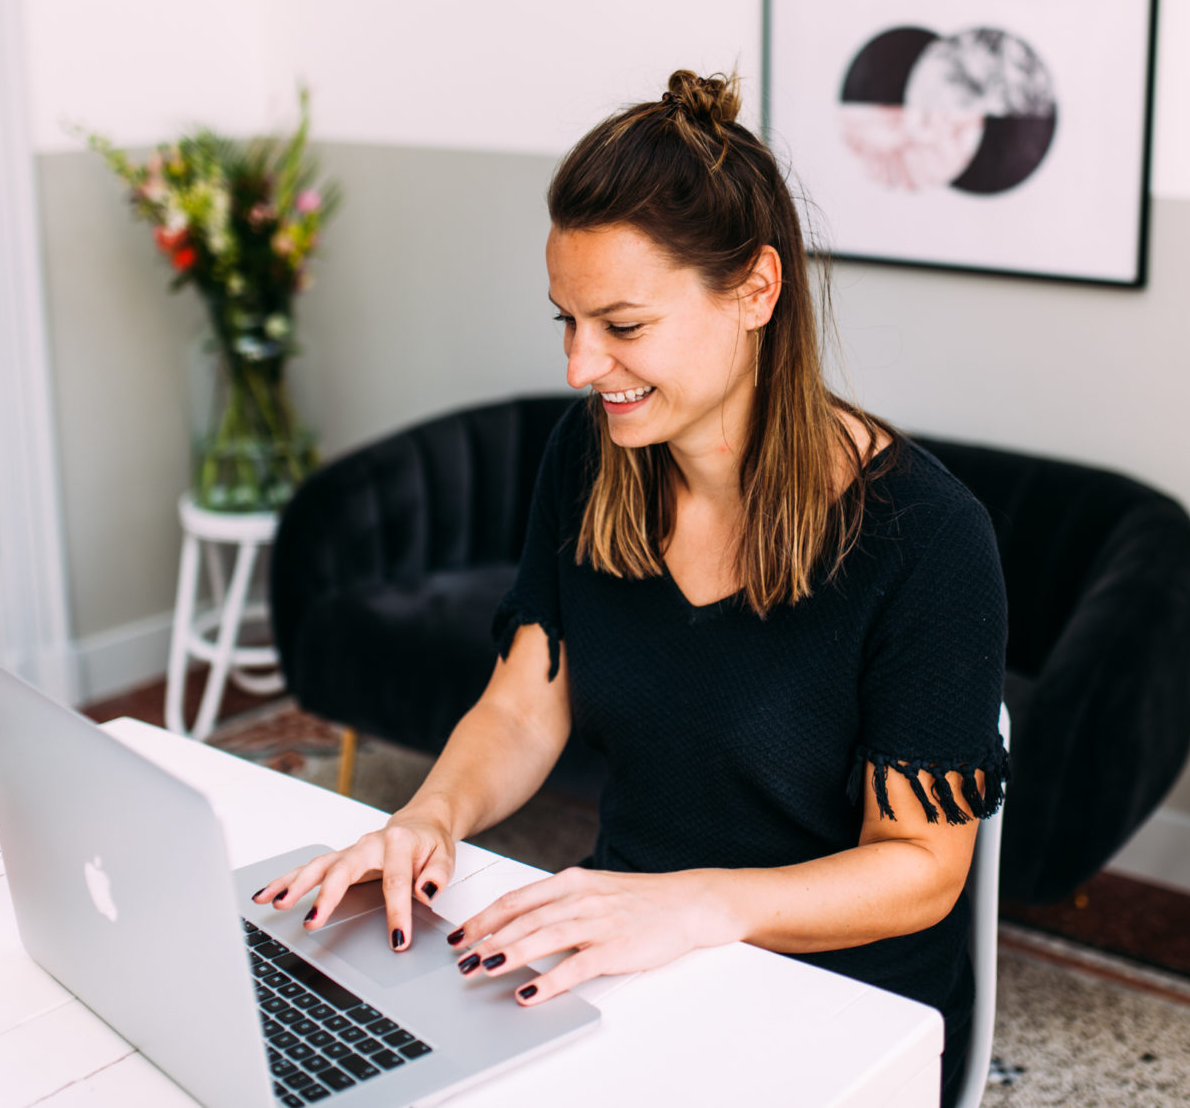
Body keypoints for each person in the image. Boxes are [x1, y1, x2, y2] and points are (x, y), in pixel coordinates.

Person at [251, 68, 1009, 1104]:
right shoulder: (592, 454)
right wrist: (426, 816)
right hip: (637, 956)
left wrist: (691, 907)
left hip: (839, 1010)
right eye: (564, 318)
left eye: (620, 324)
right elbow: (524, 704)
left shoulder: (925, 537)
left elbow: (919, 866)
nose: (578, 364)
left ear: (753, 290)